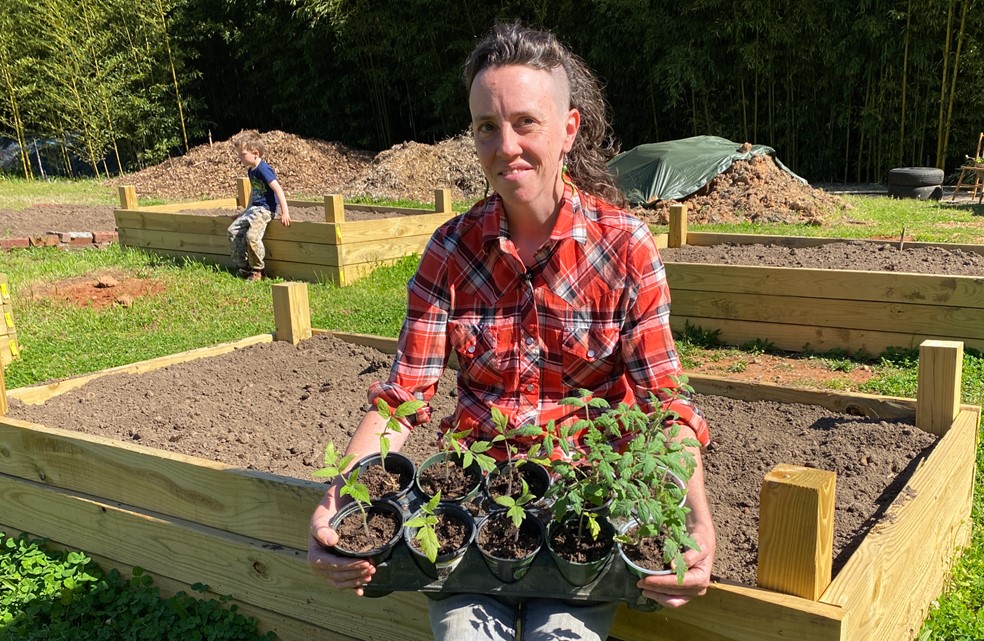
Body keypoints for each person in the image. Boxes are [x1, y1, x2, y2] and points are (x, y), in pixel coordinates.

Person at [307, 22, 715, 640]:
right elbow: (404, 396)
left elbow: (666, 404)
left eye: (526, 122)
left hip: (588, 501)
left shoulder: (625, 247)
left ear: (568, 129)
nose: (506, 146)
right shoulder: (450, 249)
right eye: (486, 127)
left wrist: (693, 518)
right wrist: (341, 501)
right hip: (472, 501)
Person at [230, 131, 291, 282]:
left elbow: (278, 190)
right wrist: (245, 212)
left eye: (242, 155)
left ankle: (258, 270)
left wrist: (285, 212)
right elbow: (254, 191)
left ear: (255, 153)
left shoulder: (264, 169)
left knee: (252, 236)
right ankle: (243, 267)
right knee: (232, 231)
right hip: (254, 209)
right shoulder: (251, 170)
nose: (239, 158)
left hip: (265, 210)